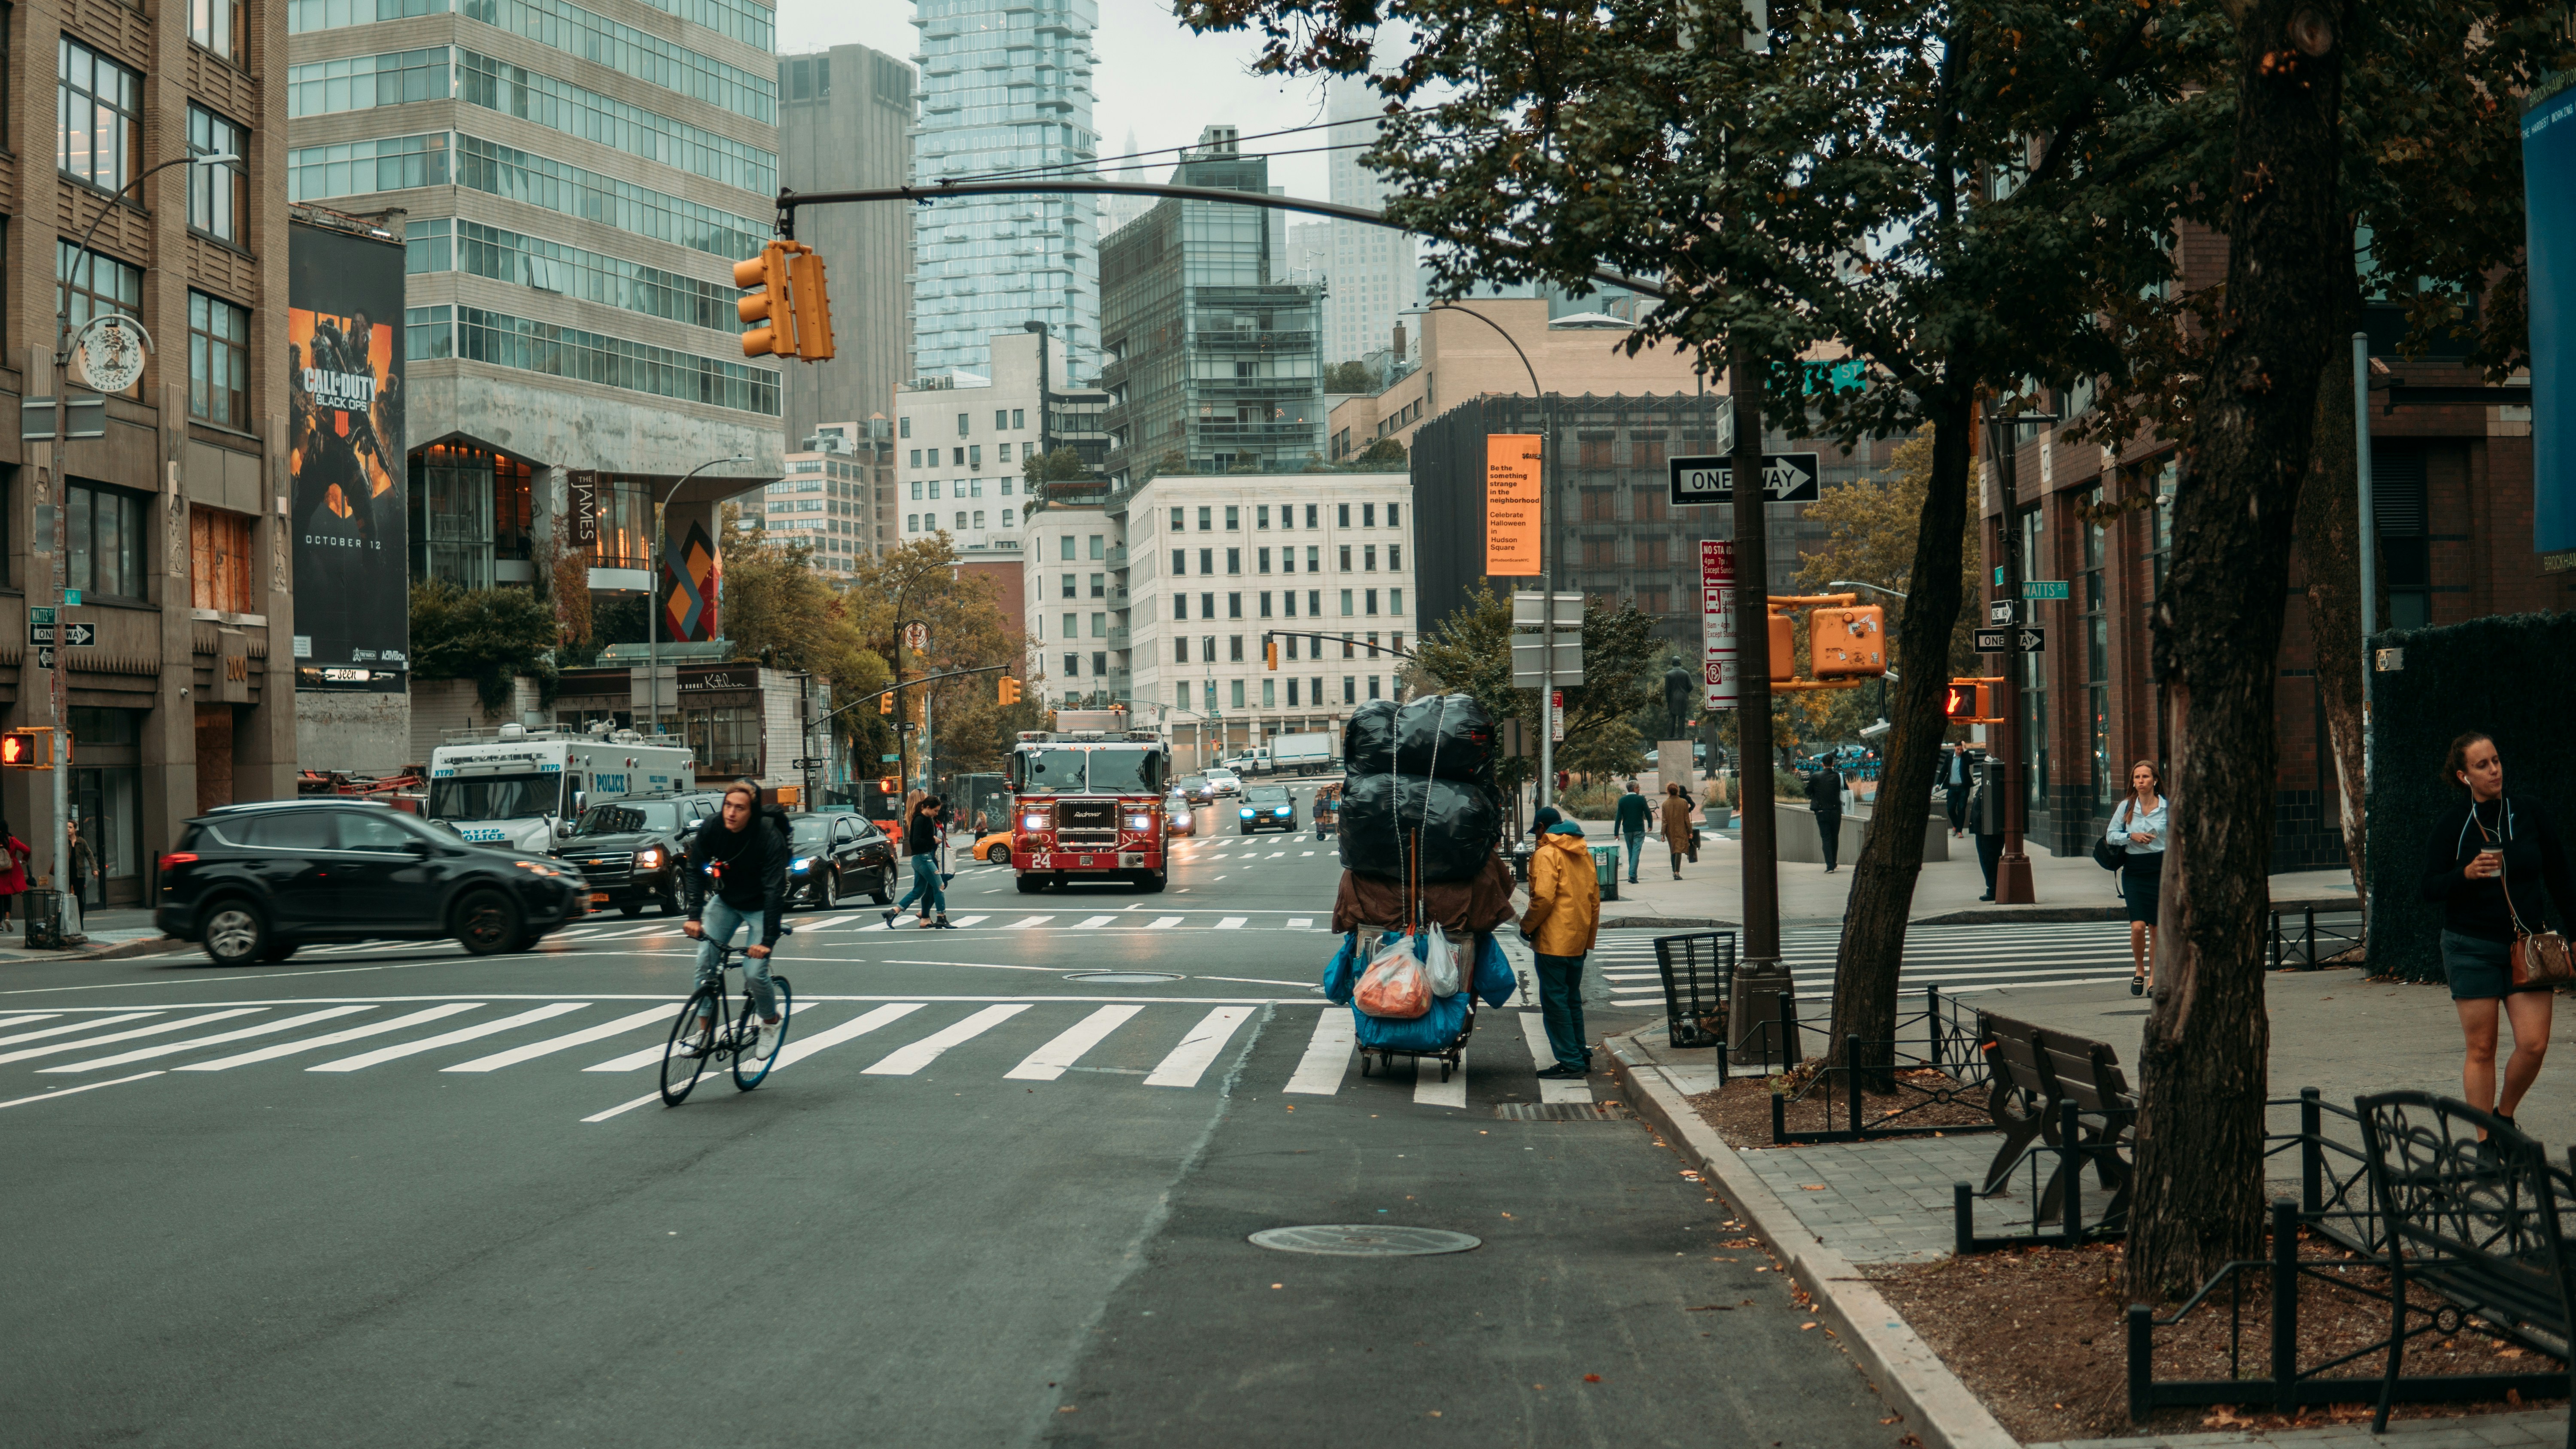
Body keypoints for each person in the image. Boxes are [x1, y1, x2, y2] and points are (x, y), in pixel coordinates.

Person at [2421, 732, 2574, 1136]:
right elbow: (2428, 886)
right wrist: (2466, 875)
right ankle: (2485, 1140)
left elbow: (2560, 877)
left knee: (2534, 1044)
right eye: (2482, 765)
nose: (2494, 770)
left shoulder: (2529, 812)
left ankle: (2503, 1116)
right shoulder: (2453, 823)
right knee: (2482, 1048)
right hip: (2470, 947)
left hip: (2529, 947)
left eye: (2496, 761)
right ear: (2464, 775)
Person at [678, 781, 787, 1061]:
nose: (731, 813)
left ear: (752, 812)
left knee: (754, 972)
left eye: (740, 808)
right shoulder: (713, 827)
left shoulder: (768, 837)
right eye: (728, 806)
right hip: (726, 901)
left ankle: (771, 1022)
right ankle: (704, 1034)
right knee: (705, 962)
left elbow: (775, 891)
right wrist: (694, 917)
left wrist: (767, 942)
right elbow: (694, 870)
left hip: (761, 906)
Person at [1520, 820, 1601, 1080]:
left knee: (1556, 1003)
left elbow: (1543, 897)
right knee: (1572, 1001)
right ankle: (1580, 1054)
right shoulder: (1584, 855)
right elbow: (1594, 901)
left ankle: (1571, 1061)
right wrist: (1588, 940)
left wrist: (1527, 926)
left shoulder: (1546, 854)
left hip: (1553, 942)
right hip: (1576, 940)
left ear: (1546, 830)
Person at [2108, 760, 2168, 996]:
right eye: (2136, 778)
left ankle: (2154, 977)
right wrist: (2131, 836)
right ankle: (2139, 970)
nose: (2140, 781)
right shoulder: (2127, 806)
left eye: (2145, 777)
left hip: (2161, 869)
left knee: (2156, 928)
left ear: (2155, 780)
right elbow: (2111, 835)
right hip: (2134, 870)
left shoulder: (2167, 807)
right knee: (2138, 926)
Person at [887, 794, 955, 928]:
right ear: (928, 808)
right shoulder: (920, 819)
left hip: (923, 858)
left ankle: (893, 912)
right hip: (923, 858)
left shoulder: (927, 818)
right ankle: (941, 917)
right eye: (935, 811)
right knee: (940, 886)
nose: (936, 813)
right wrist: (933, 840)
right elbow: (916, 842)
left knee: (918, 891)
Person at [1967, 764, 2002, 902]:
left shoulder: (1991, 786)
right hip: (1983, 829)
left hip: (1986, 831)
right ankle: (1993, 887)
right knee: (1987, 858)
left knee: (1988, 859)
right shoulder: (1987, 785)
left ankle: (1993, 888)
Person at [1807, 764, 1847, 873]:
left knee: (1826, 838)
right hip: (1836, 811)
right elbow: (1846, 789)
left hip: (1821, 811)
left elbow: (1807, 791)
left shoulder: (1816, 776)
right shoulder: (1839, 776)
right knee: (1835, 837)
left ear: (1822, 764)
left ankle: (1830, 866)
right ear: (1832, 764)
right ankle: (1833, 863)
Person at [1613, 780, 1653, 885]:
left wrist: (1616, 833)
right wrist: (1650, 824)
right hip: (1639, 829)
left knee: (1631, 851)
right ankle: (1632, 874)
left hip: (1627, 830)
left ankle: (1633, 876)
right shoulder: (1641, 799)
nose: (1640, 789)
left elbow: (1618, 818)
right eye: (1639, 788)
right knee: (1636, 851)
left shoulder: (1622, 800)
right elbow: (1648, 812)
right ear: (1635, 789)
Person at [1659, 782, 1697, 880]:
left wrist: (1662, 834)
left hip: (1670, 830)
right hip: (1681, 829)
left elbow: (1664, 821)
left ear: (1668, 791)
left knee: (1673, 850)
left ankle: (1674, 871)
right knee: (1678, 850)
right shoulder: (1684, 803)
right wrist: (1690, 831)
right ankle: (1676, 872)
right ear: (1677, 791)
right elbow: (1686, 819)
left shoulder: (1665, 804)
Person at [0, 820, 27, 934]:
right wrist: (24, 860)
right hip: (9, 872)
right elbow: (27, 850)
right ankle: (7, 918)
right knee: (8, 897)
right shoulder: (12, 840)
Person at [1943, 746, 1973, 838]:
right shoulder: (1949, 757)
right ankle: (1956, 825)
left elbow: (1972, 762)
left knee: (1961, 809)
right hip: (1952, 787)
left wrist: (1965, 749)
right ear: (1955, 748)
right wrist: (1938, 784)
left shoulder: (1965, 757)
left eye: (1961, 749)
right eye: (1958, 749)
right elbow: (1944, 770)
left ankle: (1959, 831)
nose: (1960, 751)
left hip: (1963, 788)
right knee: (1950, 809)